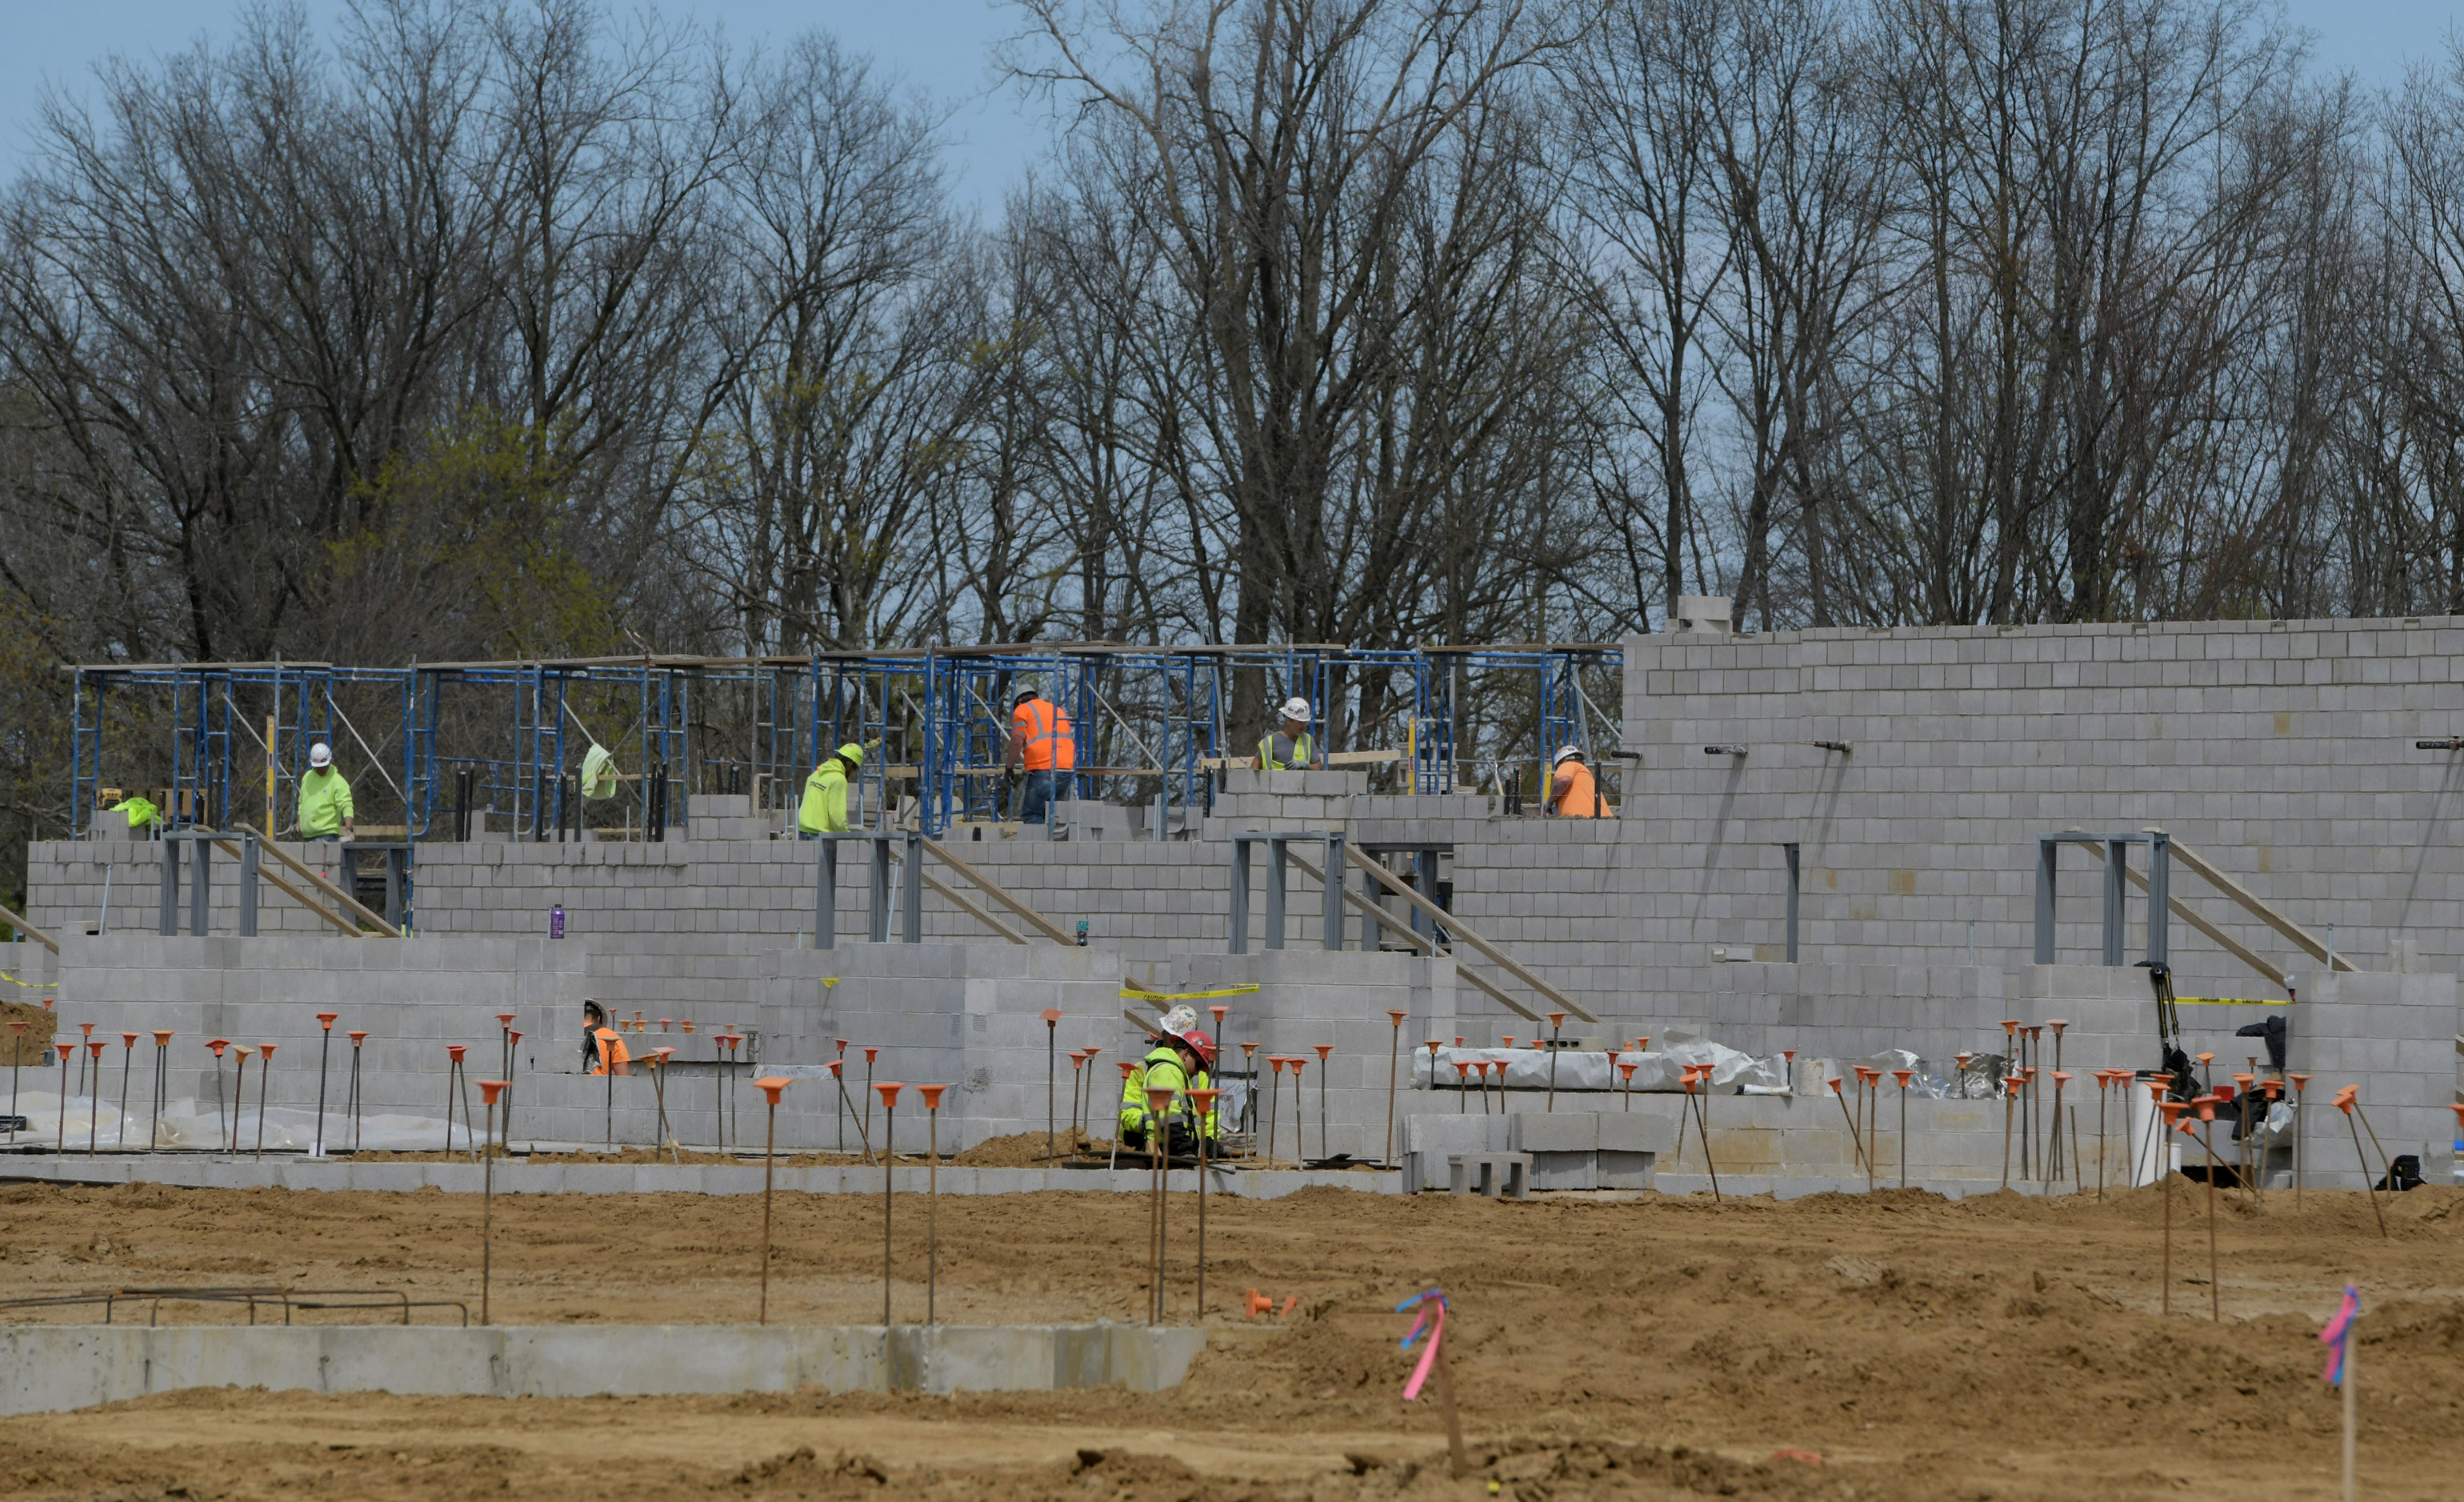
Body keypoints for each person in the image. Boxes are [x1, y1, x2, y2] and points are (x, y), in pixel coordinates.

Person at [1118, 1006, 1218, 1155]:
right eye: (1174, 1039)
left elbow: (1208, 1114)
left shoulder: (1198, 1074)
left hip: (1185, 1146)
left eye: (1183, 1041)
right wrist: (1151, 1123)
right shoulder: (1142, 1069)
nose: (1177, 1045)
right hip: (1150, 1144)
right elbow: (1127, 1112)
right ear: (1164, 1035)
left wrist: (1208, 1145)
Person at [1005, 684, 1076, 825]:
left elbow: (1016, 742)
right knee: (1051, 815)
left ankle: (1042, 846)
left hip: (1044, 768)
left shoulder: (1022, 709)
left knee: (1031, 814)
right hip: (1066, 769)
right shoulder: (1057, 709)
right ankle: (1053, 844)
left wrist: (1009, 768)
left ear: (1018, 702)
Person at [798, 743, 864, 837]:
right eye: (854, 768)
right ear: (849, 764)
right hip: (820, 835)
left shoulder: (816, 774)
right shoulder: (839, 780)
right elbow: (837, 815)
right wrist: (846, 835)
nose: (852, 772)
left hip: (802, 830)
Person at [298, 742, 356, 840]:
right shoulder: (307, 778)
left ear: (329, 762)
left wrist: (349, 828)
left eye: (323, 767)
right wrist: (299, 822)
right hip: (307, 836)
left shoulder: (337, 781)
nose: (321, 770)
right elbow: (302, 802)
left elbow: (346, 806)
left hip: (327, 835)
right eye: (318, 767)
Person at [1545, 746, 1614, 818]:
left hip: (1584, 821)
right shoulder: (1585, 774)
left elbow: (1564, 780)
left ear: (1561, 763)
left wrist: (1550, 802)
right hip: (1604, 821)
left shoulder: (1567, 764)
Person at [1253, 698, 1321, 771]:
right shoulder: (1268, 743)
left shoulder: (1308, 741)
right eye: (1300, 722)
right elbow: (1253, 771)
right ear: (1288, 721)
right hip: (1273, 781)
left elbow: (1319, 768)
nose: (1303, 725)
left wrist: (1306, 765)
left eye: (1305, 722)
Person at [582, 1001, 631, 1075]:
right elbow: (624, 1077)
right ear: (599, 1019)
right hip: (600, 1086)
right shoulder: (611, 1036)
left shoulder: (565, 1036)